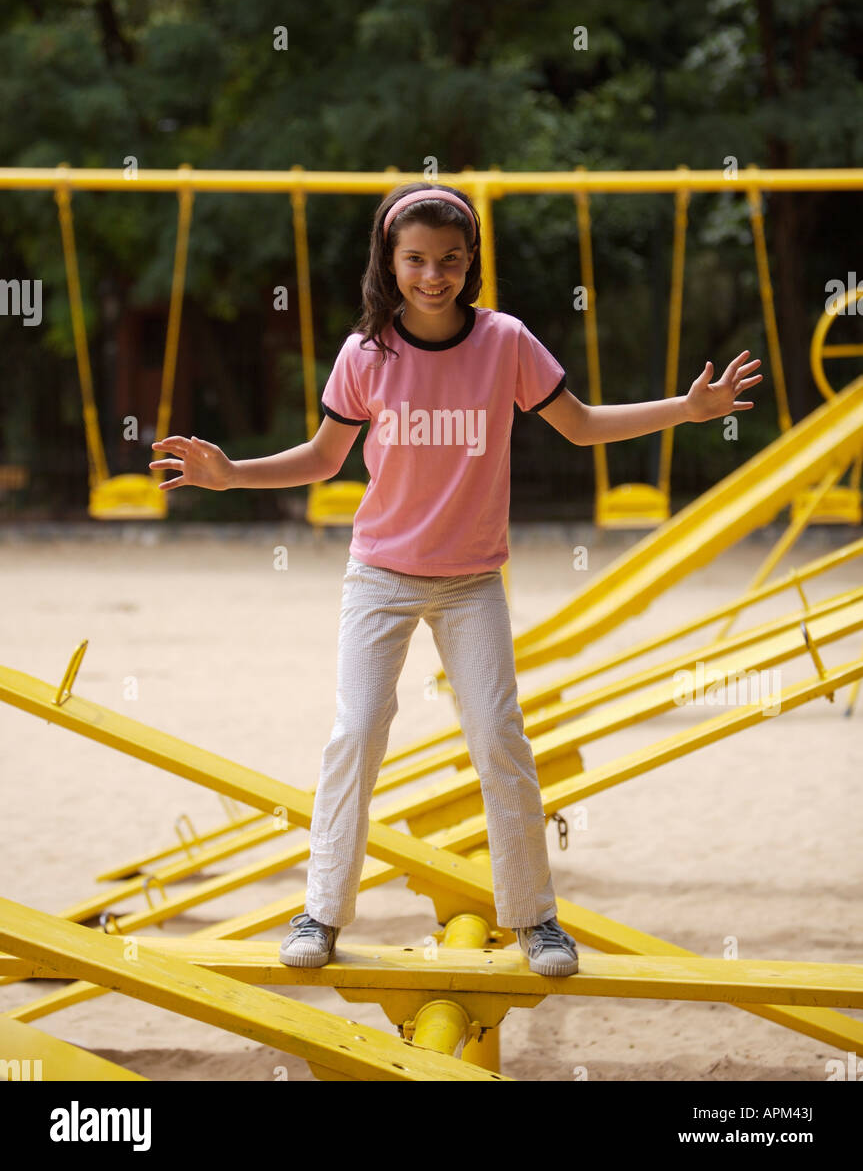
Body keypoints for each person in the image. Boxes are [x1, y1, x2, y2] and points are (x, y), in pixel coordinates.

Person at [150, 181, 761, 978]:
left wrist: (684, 409)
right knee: (356, 733)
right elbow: (323, 459)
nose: (431, 275)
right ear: (389, 261)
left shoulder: (504, 341)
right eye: (414, 260)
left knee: (500, 739)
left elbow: (578, 425)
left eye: (447, 259)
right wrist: (231, 475)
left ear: (469, 261)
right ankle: (320, 912)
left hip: (471, 580)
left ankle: (535, 920)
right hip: (380, 574)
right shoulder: (365, 352)